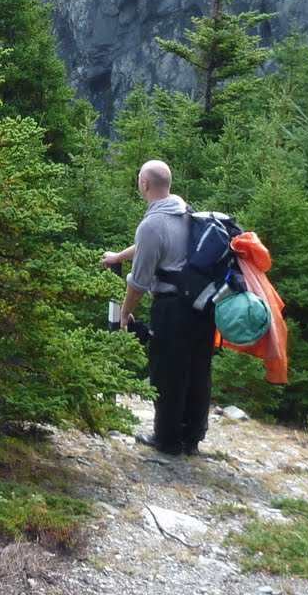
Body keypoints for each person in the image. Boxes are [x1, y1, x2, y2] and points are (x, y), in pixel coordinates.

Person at [108, 159, 213, 457]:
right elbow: (146, 248)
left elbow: (139, 282)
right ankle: (191, 438)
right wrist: (118, 256)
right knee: (197, 371)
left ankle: (166, 440)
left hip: (172, 309)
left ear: (144, 185)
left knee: (168, 372)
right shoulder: (187, 211)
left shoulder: (152, 223)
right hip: (203, 307)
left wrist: (125, 313)